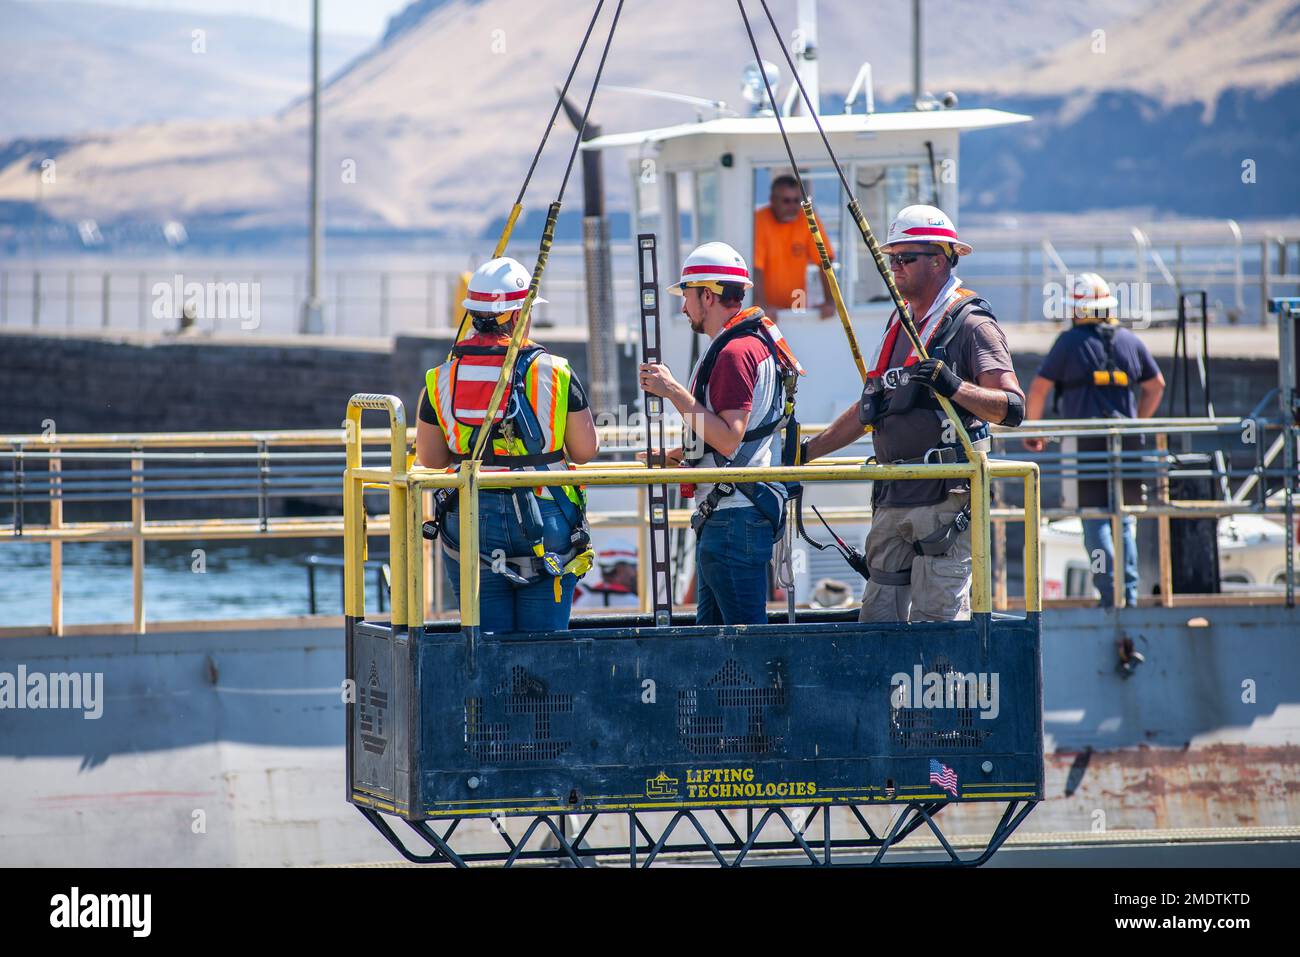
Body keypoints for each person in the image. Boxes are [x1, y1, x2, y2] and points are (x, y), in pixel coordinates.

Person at [800, 205, 1025, 623]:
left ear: (939, 260)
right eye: (891, 260)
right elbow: (869, 408)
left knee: (936, 629)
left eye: (905, 259)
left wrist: (953, 386)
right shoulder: (899, 324)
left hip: (943, 504)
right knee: (877, 624)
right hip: (892, 498)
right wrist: (806, 453)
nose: (895, 269)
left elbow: (1012, 408)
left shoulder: (972, 325)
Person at [414, 256, 599, 634]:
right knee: (544, 650)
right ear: (517, 315)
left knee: (484, 649)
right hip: (546, 516)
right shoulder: (555, 371)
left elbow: (430, 459)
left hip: (469, 516)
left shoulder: (441, 377)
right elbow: (584, 451)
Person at [639, 241, 804, 625]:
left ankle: (764, 690)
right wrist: (674, 458)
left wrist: (672, 391)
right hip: (735, 515)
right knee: (717, 647)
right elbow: (741, 438)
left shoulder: (734, 354)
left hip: (734, 519)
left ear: (708, 296)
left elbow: (729, 437)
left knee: (744, 649)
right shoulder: (752, 345)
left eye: (687, 296)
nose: (683, 306)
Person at [1024, 272, 1165, 608]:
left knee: (1096, 519)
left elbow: (1040, 388)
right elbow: (1155, 385)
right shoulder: (1131, 341)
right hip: (1127, 446)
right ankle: (1127, 594)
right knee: (1124, 518)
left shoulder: (1069, 343)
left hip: (1085, 446)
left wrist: (1034, 431)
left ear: (1077, 309)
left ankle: (1108, 593)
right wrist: (1137, 424)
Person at [753, 174, 837, 319]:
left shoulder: (807, 218)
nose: (792, 206)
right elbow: (755, 268)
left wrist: (831, 301)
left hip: (797, 308)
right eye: (786, 201)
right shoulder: (759, 220)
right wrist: (761, 306)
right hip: (767, 313)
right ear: (773, 200)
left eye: (796, 201)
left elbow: (825, 260)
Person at [574, 538, 640, 609]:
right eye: (634, 566)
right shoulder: (635, 603)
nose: (636, 572)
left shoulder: (583, 601)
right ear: (620, 569)